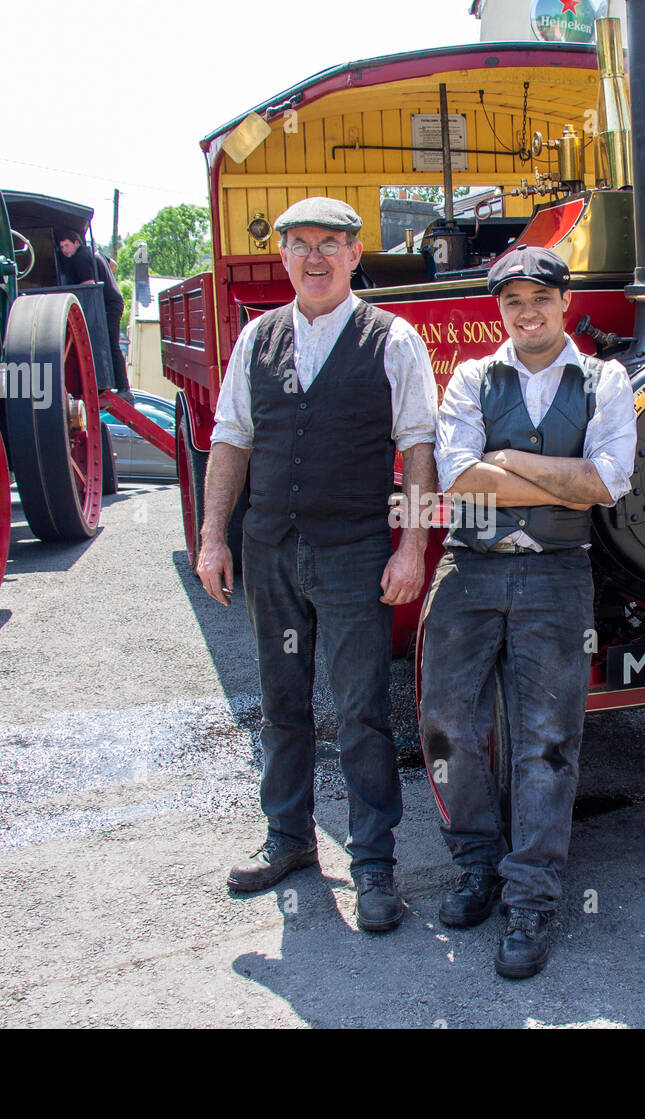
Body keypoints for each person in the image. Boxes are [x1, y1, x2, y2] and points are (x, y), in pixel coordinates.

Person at [196, 197, 438, 933]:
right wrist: (214, 537)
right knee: (281, 702)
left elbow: (420, 449)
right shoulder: (256, 339)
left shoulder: (393, 340)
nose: (313, 257)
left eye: (328, 243)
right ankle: (290, 839)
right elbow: (231, 440)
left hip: (354, 547)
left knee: (362, 711)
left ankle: (373, 866)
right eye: (299, 244)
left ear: (356, 252)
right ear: (284, 256)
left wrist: (413, 545)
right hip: (269, 546)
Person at [419, 246, 637, 979]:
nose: (526, 311)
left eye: (538, 296)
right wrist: (559, 478)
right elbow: (456, 478)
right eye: (512, 300)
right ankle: (477, 865)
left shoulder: (605, 380)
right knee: (449, 725)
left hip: (556, 577)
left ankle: (532, 899)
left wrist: (507, 461)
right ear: (499, 309)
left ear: (564, 302)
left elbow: (607, 482)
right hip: (469, 569)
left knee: (547, 741)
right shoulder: (473, 378)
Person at [56, 229, 133, 401]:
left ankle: (124, 388)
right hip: (114, 301)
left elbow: (88, 289)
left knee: (110, 344)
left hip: (108, 304)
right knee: (109, 344)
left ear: (76, 243)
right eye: (61, 247)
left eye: (67, 245)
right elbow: (113, 264)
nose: (64, 250)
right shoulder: (92, 252)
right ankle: (117, 386)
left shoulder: (81, 258)